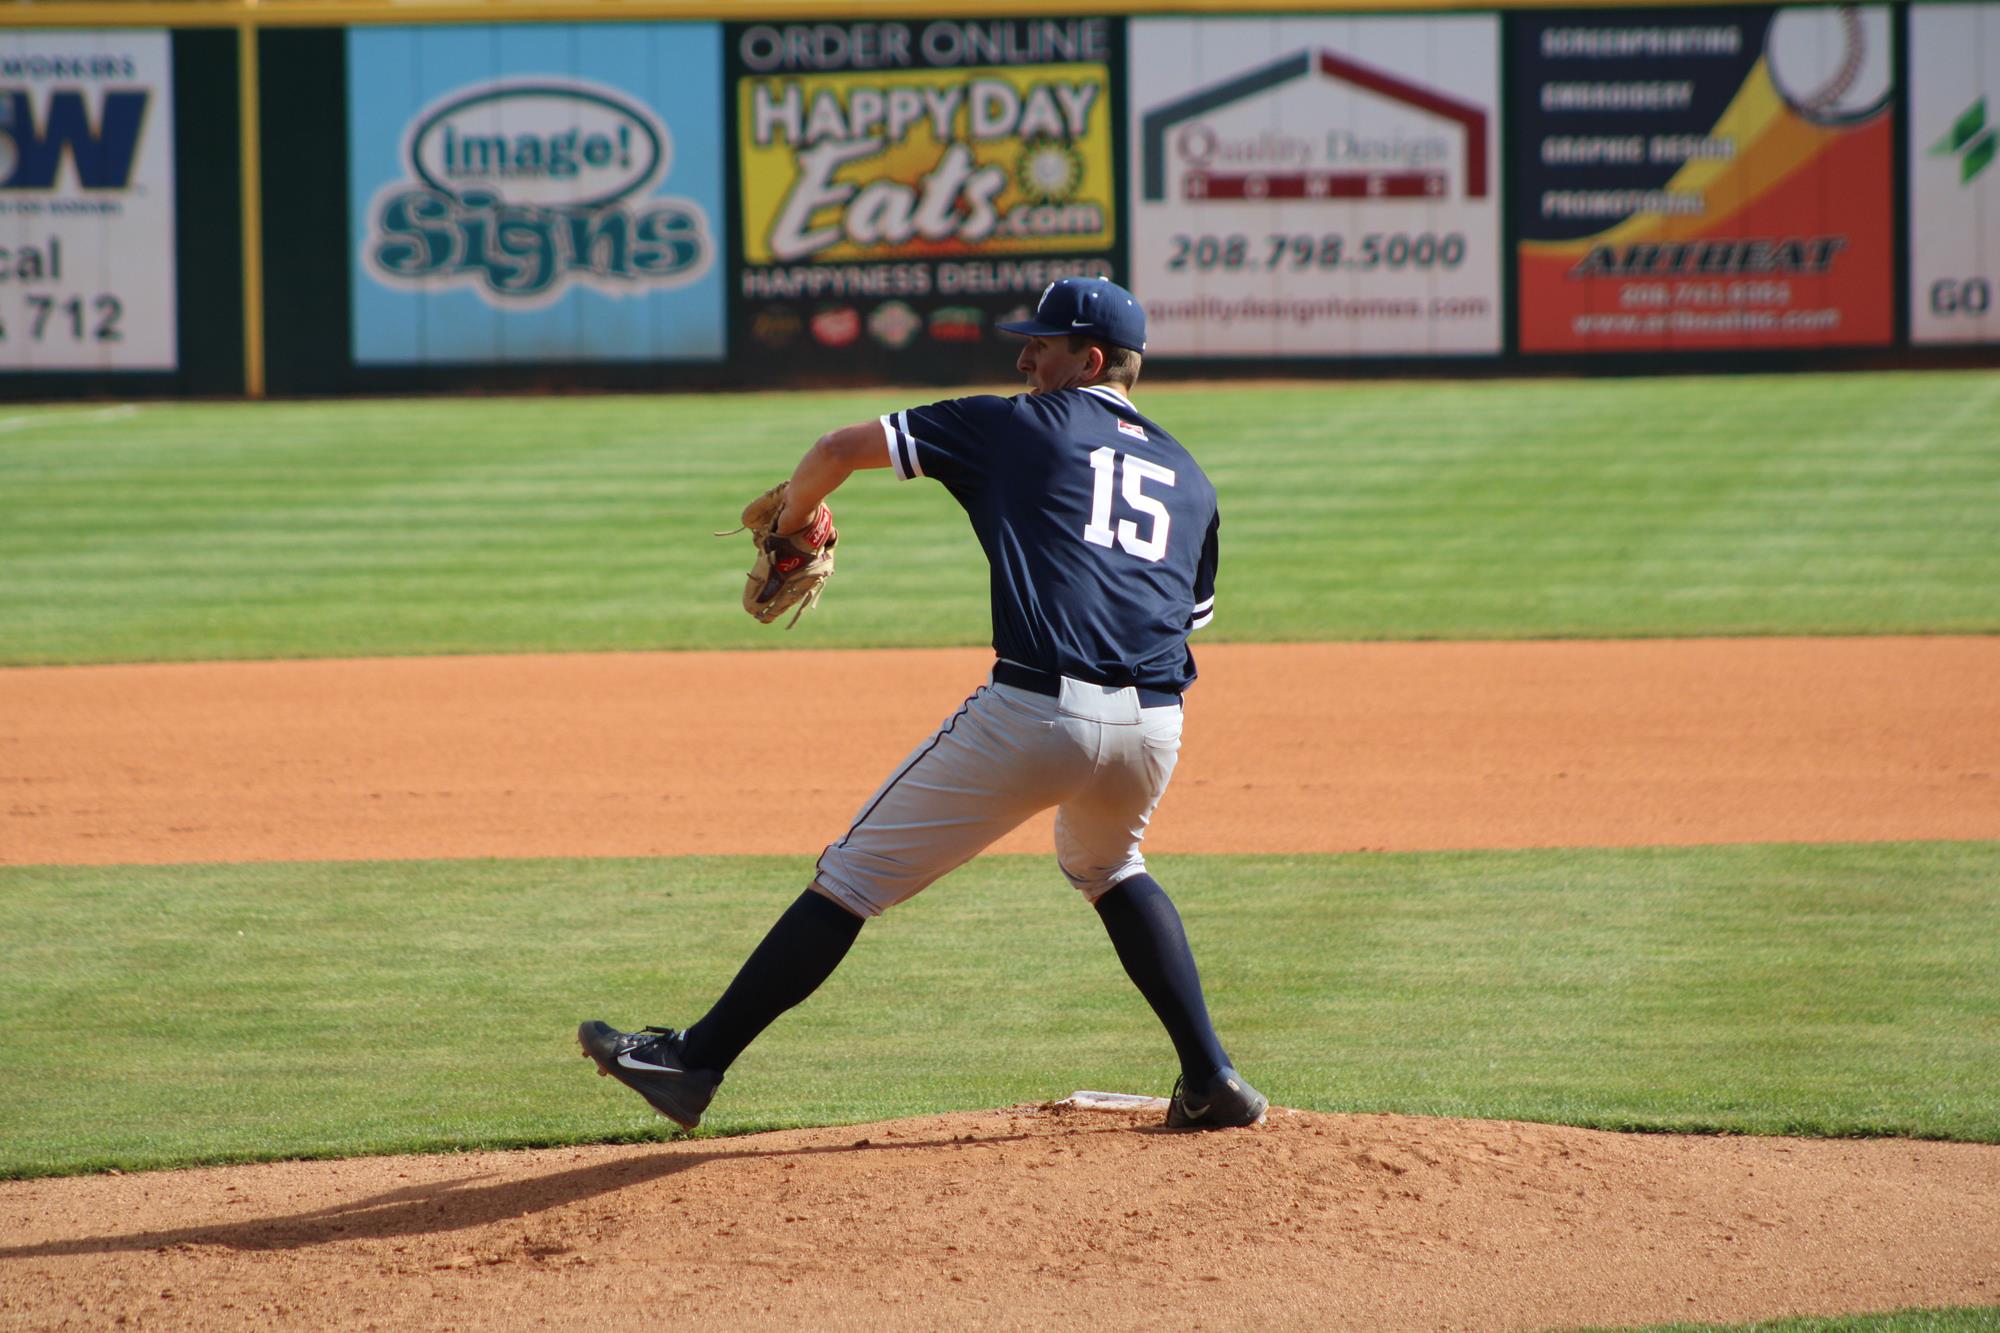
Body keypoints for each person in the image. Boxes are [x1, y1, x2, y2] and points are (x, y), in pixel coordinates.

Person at [579, 276, 1266, 1131]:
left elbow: (837, 446)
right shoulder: (1191, 477)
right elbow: (1188, 614)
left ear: (1088, 359)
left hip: (1039, 714)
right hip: (1156, 727)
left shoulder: (1014, 423)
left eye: (1040, 346)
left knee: (850, 877)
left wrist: (792, 523)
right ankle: (1214, 1078)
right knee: (1110, 865)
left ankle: (694, 1060)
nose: (1022, 358)